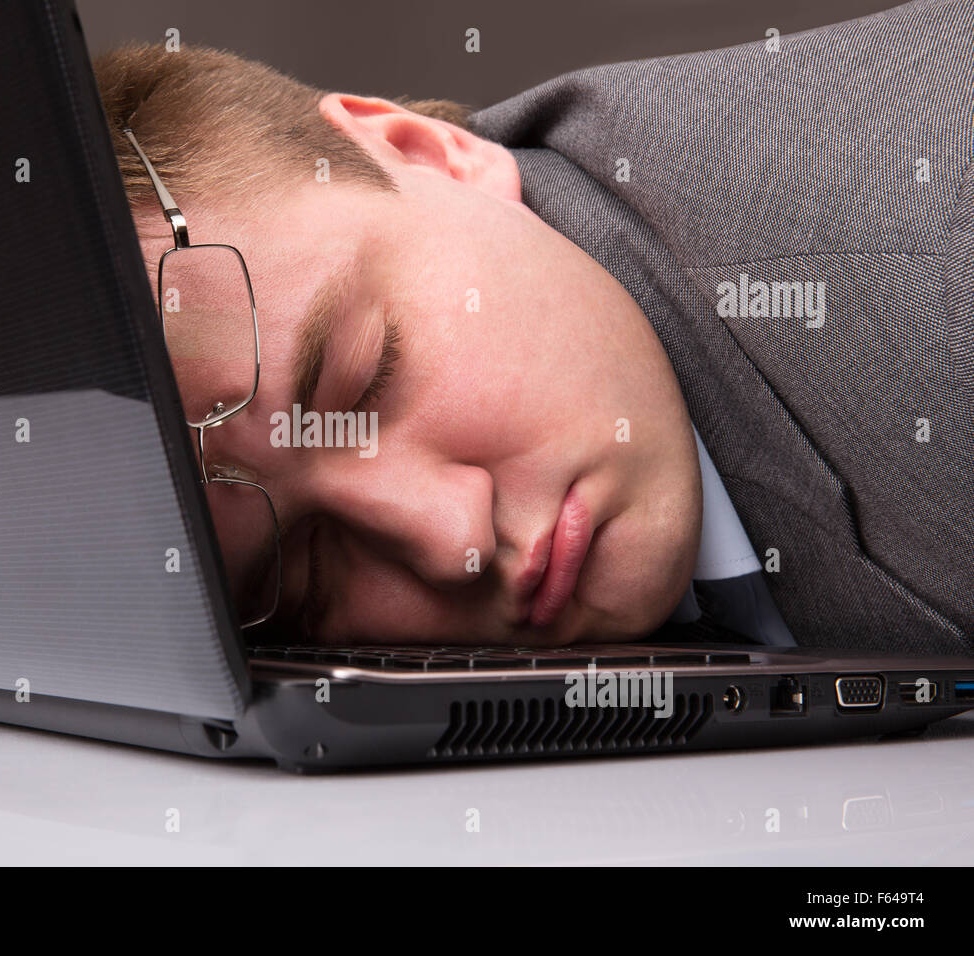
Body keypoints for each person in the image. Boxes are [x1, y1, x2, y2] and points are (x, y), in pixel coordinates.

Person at [94, 0, 974, 653]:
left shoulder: (937, 255)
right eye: (311, 570)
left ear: (426, 153)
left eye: (367, 375)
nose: (456, 540)